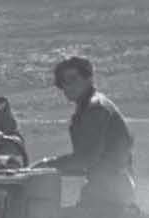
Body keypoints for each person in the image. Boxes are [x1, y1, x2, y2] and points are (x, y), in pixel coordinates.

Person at [36, 55, 135, 205]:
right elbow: (87, 162)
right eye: (62, 82)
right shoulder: (87, 109)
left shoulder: (95, 109)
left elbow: (86, 159)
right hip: (106, 188)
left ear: (88, 78)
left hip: (109, 192)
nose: (67, 86)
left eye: (73, 79)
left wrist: (46, 166)